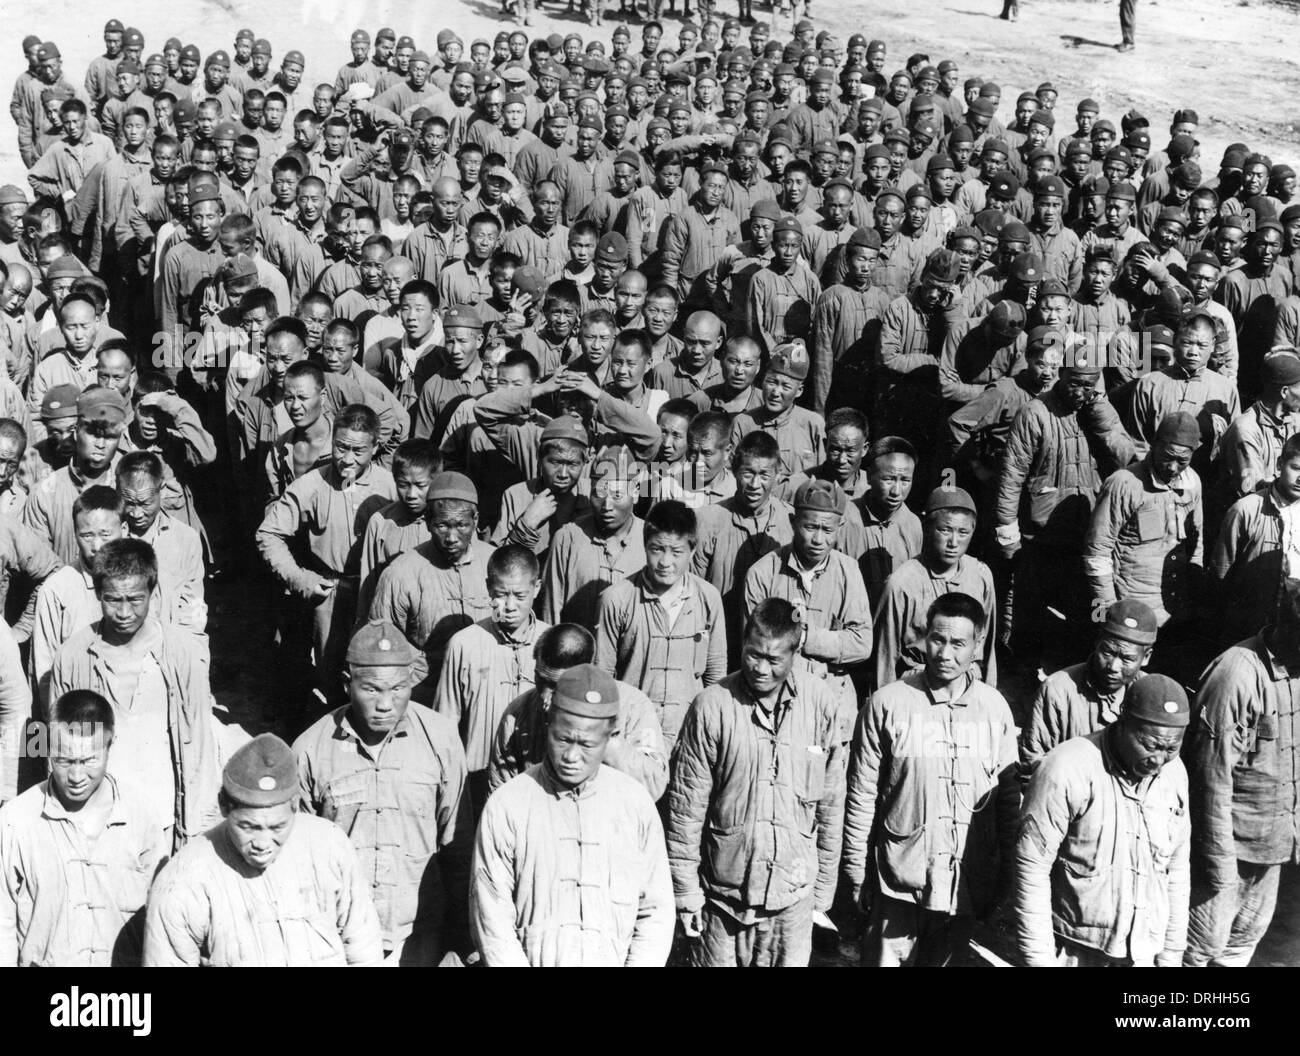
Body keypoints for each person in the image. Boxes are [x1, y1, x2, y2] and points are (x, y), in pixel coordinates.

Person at [667, 598, 845, 966]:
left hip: (793, 900)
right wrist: (686, 892)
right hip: (723, 901)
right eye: (753, 654)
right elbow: (686, 808)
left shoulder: (821, 704)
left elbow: (830, 804)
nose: (761, 668)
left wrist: (824, 887)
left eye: (774, 659)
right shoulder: (712, 706)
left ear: (795, 653)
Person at [844, 592, 1018, 966]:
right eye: (938, 639)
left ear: (977, 645)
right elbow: (861, 794)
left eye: (958, 643)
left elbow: (1007, 799)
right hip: (899, 878)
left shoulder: (994, 708)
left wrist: (1004, 875)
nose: (945, 653)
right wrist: (857, 871)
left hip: (964, 884)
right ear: (924, 637)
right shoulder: (888, 703)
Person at [470, 664, 674, 966]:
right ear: (548, 724)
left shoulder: (635, 805)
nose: (571, 757)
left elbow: (656, 911)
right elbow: (491, 916)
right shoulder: (508, 804)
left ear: (610, 738)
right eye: (563, 739)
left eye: (587, 744)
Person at [295, 620, 470, 966]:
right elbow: (297, 859)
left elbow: (458, 844)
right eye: (372, 690)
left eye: (398, 688)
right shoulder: (310, 750)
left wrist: (461, 936)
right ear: (348, 685)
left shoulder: (441, 739)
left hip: (418, 936)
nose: (386, 703)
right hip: (339, 935)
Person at [144, 733, 384, 966]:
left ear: (295, 807)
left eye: (277, 827)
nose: (262, 842)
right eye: (248, 827)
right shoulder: (184, 878)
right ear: (224, 807)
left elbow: (363, 946)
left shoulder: (330, 845)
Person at [49, 538, 218, 850]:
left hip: (165, 819)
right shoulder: (73, 656)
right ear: (98, 594)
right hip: (98, 822)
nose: (124, 612)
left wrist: (198, 829)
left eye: (135, 599)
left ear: (152, 594)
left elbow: (201, 744)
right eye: (113, 600)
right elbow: (55, 742)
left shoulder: (180, 653)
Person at [1015, 674, 1191, 966]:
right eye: (1150, 745)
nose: (1159, 759)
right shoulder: (1067, 767)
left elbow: (1177, 869)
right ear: (1123, 720)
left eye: (1171, 749)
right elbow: (1031, 867)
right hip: (1075, 949)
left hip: (1142, 952)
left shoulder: (1174, 774)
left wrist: (1171, 955)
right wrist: (1039, 960)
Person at [0, 690, 167, 966]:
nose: (77, 777)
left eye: (89, 760)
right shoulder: (16, 820)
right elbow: (2, 919)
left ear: (110, 745)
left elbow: (162, 915)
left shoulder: (142, 813)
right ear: (48, 748)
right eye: (64, 761)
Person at [1184, 578, 1300, 967]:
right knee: (1198, 949)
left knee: (1239, 949)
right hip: (1226, 851)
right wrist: (1217, 866)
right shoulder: (1235, 674)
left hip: (1273, 849)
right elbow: (1208, 780)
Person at [257, 404, 395, 710]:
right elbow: (268, 534)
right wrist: (300, 578)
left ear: (375, 447)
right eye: (341, 447)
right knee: (330, 677)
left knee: (375, 671)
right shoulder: (311, 485)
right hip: (330, 597)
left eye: (358, 450)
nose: (347, 459)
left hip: (377, 594)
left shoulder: (390, 485)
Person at [594, 499, 727, 749]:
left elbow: (716, 674)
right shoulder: (617, 599)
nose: (666, 562)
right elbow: (604, 674)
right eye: (657, 549)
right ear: (645, 546)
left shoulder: (708, 598)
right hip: (633, 733)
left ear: (692, 549)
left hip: (689, 733)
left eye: (676, 552)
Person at [489, 623, 668, 799]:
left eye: (556, 686)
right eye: (540, 679)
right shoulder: (518, 713)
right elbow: (501, 794)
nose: (544, 696)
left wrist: (603, 739)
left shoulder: (631, 705)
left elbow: (653, 786)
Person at [433, 543, 545, 817]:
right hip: (478, 779)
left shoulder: (550, 642)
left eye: (520, 595)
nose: (509, 606)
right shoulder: (464, 644)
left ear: (537, 588)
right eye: (499, 595)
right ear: (487, 587)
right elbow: (444, 725)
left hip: (538, 780)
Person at [368, 471, 493, 702]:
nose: (452, 537)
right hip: (425, 694)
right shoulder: (401, 573)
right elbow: (382, 642)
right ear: (427, 522)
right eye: (442, 526)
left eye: (462, 525)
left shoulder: (494, 563)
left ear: (475, 521)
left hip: (485, 690)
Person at [1019, 598, 1159, 779]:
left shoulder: (1150, 695)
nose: (1113, 666)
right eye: (1107, 652)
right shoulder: (1058, 690)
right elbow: (1033, 764)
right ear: (1097, 642)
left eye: (1127, 659)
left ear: (1146, 657)